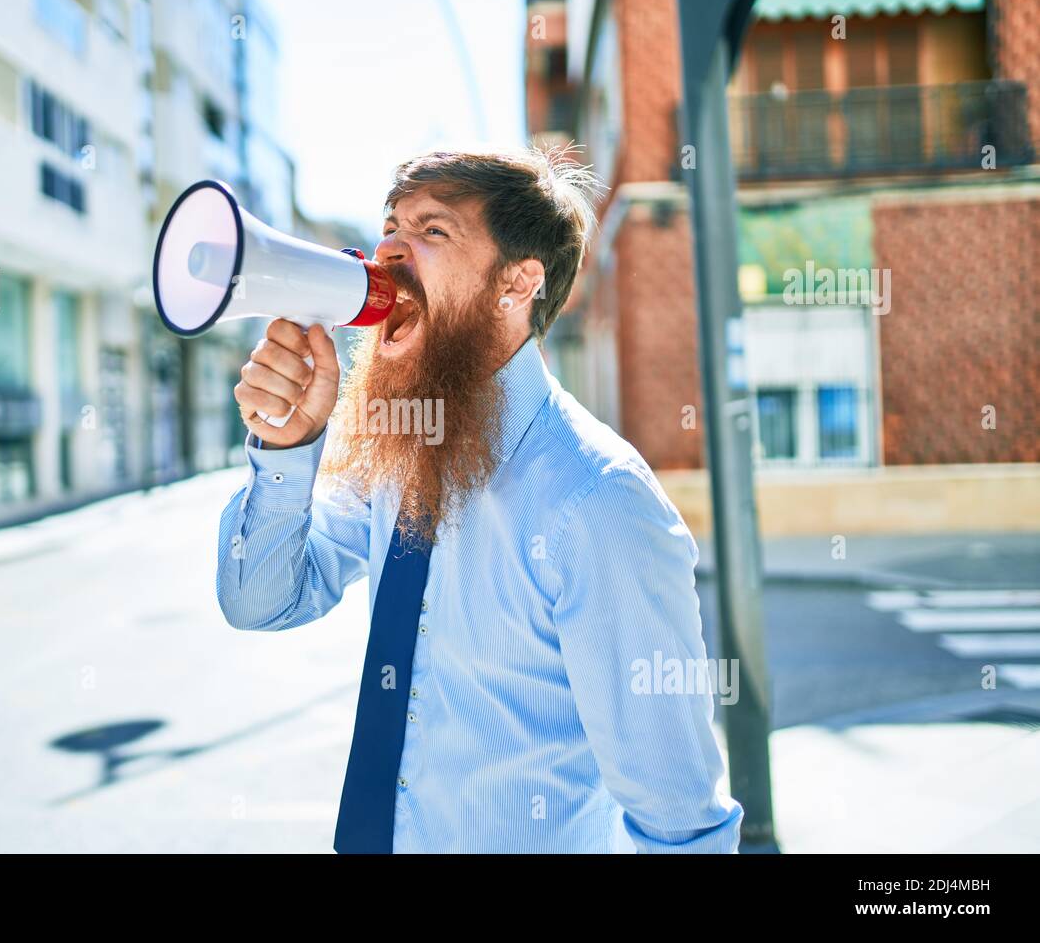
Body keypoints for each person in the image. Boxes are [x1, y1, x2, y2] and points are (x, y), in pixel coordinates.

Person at [216, 145, 744, 853]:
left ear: (517, 282)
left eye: (432, 231)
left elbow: (682, 823)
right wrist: (285, 451)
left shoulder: (598, 501)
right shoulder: (397, 447)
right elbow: (261, 601)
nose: (390, 251)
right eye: (392, 225)